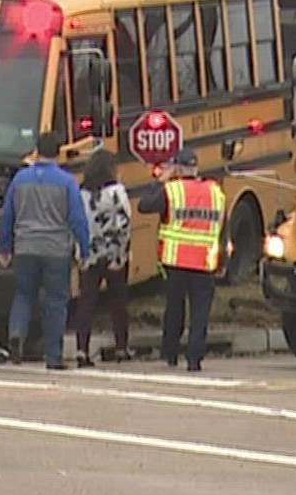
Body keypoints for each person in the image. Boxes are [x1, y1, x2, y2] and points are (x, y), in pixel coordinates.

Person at [0, 132, 90, 370]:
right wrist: (85, 251)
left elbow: (7, 215)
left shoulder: (19, 180)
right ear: (58, 152)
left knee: (23, 295)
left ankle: (17, 333)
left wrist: (5, 248)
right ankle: (53, 356)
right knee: (55, 302)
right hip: (55, 249)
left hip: (25, 246)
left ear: (36, 150)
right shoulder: (67, 182)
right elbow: (78, 219)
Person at [136, 147, 226, 372]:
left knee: (175, 308)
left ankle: (170, 353)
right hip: (204, 262)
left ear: (177, 167)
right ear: (196, 167)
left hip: (175, 261)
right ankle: (194, 358)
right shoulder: (215, 192)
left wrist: (160, 180)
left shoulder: (172, 191)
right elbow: (222, 228)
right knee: (200, 312)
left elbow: (144, 205)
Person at [74, 148, 133, 368]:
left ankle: (82, 349)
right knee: (118, 302)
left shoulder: (81, 193)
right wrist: (120, 254)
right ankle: (121, 346)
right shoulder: (116, 191)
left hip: (89, 253)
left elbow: (76, 223)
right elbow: (124, 223)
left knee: (86, 302)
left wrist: (79, 252)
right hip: (113, 253)